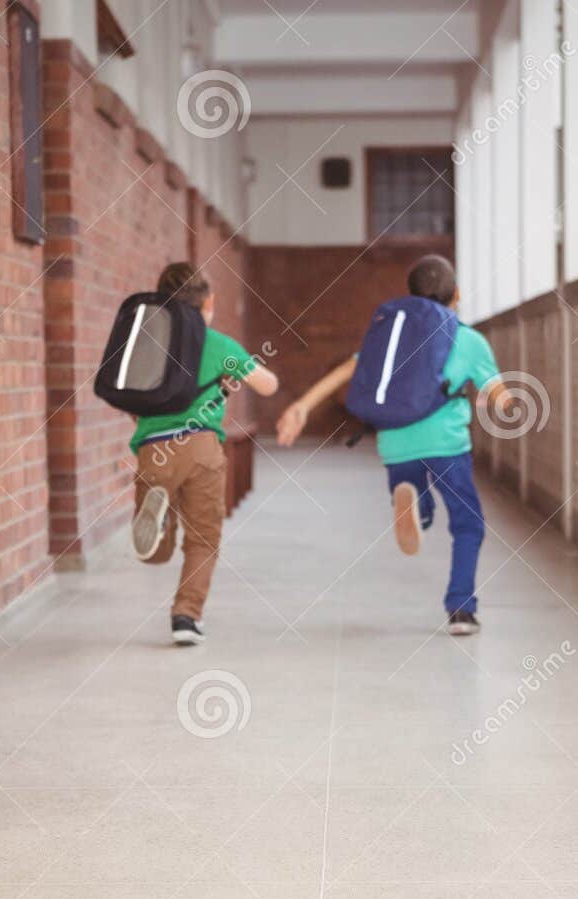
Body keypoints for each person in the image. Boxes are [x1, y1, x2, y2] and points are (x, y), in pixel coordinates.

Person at [275, 254, 509, 636]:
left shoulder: (394, 333)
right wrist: (506, 400)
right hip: (446, 443)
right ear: (458, 294)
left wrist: (301, 405)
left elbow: (347, 371)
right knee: (468, 524)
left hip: (395, 440)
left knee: (419, 508)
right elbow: (501, 398)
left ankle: (413, 499)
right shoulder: (468, 339)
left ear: (412, 293)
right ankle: (461, 609)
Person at [131, 262, 278, 645]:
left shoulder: (147, 342)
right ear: (208, 302)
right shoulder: (218, 344)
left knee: (154, 555)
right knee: (203, 537)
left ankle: (159, 523)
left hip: (153, 449)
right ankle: (185, 617)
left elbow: (131, 398)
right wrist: (234, 371)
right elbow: (268, 386)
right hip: (200, 447)